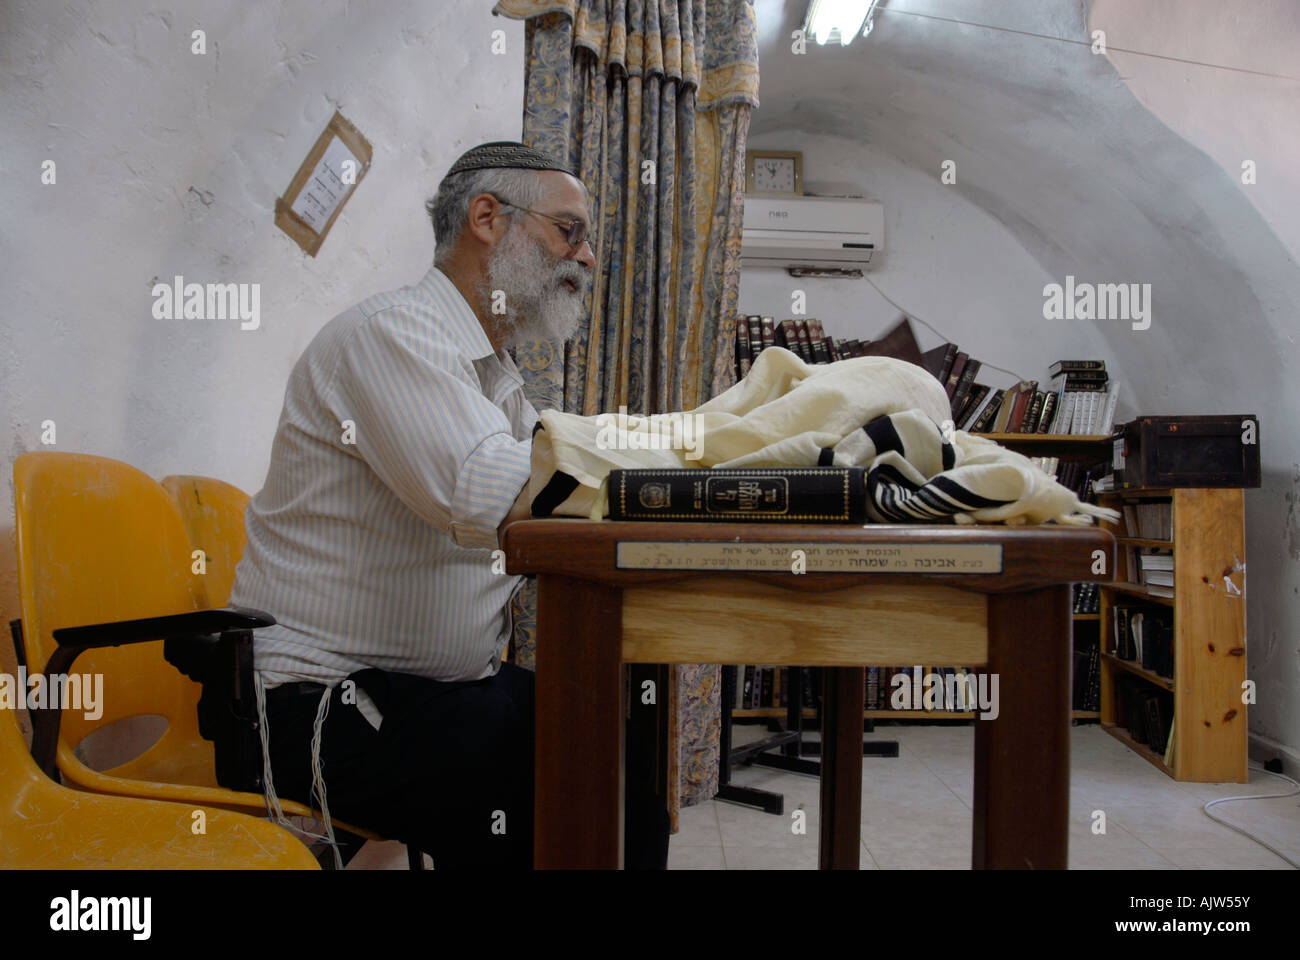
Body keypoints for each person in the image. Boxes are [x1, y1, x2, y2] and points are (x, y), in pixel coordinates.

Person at [227, 141, 670, 869]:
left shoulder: (494, 379)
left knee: (613, 750)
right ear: (487, 218)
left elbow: (549, 480)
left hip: (431, 688)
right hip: (315, 703)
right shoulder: (390, 336)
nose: (587, 258)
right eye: (570, 230)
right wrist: (671, 469)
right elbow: (488, 489)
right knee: (550, 784)